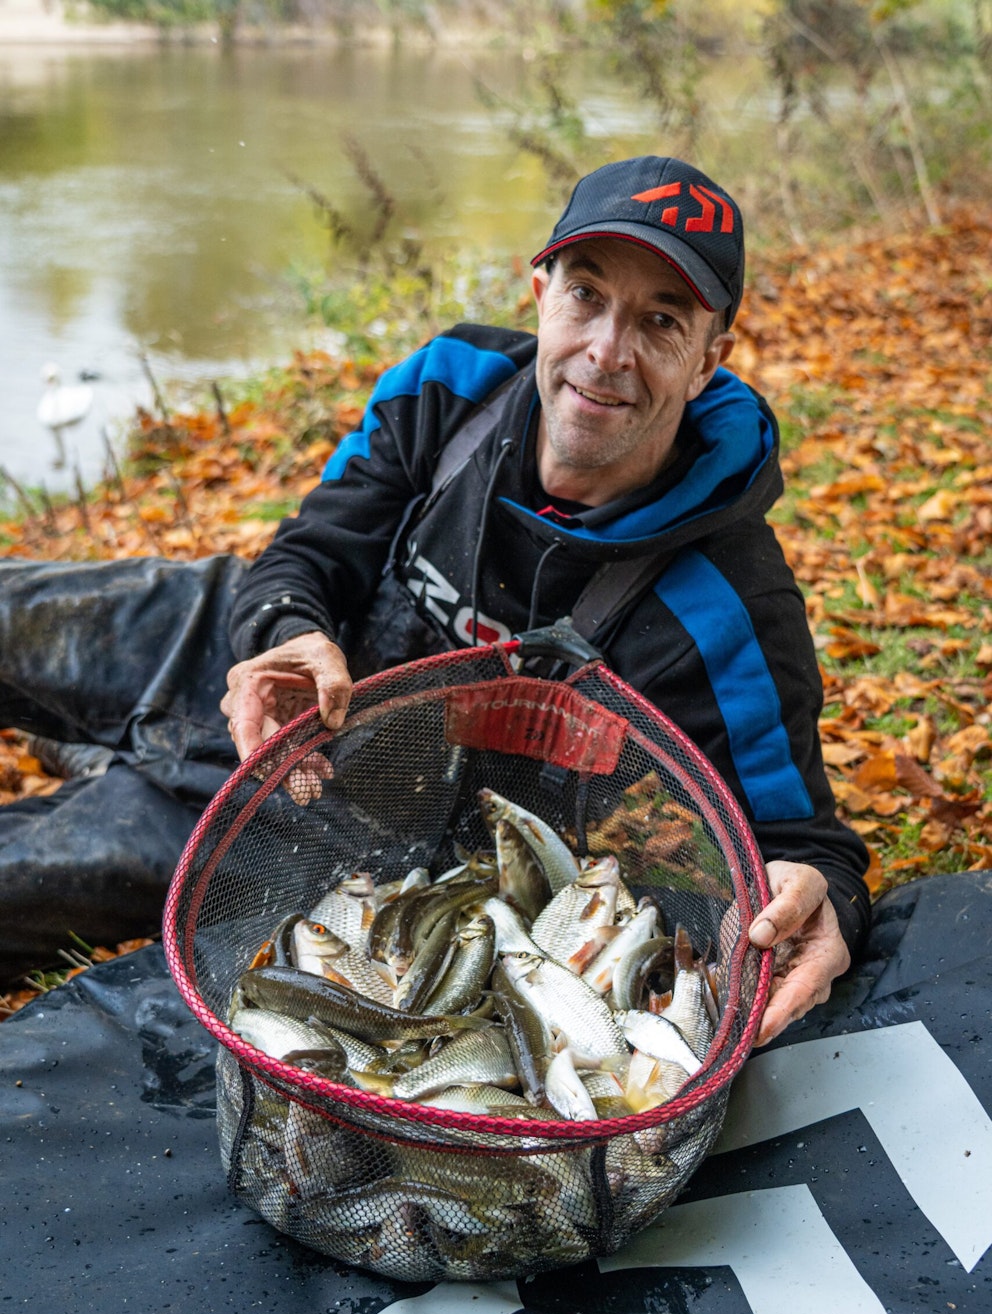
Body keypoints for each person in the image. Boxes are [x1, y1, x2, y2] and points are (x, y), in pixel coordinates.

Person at [0, 155, 868, 1039]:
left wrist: (825, 904)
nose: (608, 352)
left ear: (707, 362)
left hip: (338, 834)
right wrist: (288, 628)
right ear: (541, 292)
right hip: (238, 655)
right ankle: (96, 737)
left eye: (661, 321)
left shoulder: (732, 606)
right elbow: (308, 551)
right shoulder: (449, 384)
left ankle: (106, 772)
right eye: (587, 296)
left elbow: (808, 851)